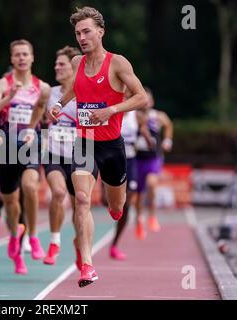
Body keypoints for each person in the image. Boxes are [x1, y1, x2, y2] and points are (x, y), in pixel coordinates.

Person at [49, 7, 148, 287]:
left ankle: (117, 207)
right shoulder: (78, 62)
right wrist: (60, 104)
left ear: (100, 32)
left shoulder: (118, 63)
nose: (82, 37)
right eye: (78, 33)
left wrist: (112, 110)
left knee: (116, 207)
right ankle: (88, 266)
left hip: (113, 147)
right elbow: (76, 89)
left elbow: (141, 98)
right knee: (81, 199)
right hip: (85, 142)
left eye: (87, 31)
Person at [0, 39, 50, 274]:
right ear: (12, 59)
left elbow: (45, 112)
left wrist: (36, 130)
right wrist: (7, 97)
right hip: (6, 146)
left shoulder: (41, 87)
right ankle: (15, 236)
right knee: (11, 201)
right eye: (17, 55)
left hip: (30, 144)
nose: (22, 58)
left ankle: (33, 237)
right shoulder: (3, 83)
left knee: (30, 187)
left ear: (32, 58)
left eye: (26, 54)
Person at [42, 46, 81, 265]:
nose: (56, 67)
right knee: (58, 192)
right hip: (53, 154)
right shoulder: (50, 93)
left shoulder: (84, 93)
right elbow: (38, 119)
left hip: (79, 156)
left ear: (74, 67)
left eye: (62, 64)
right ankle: (55, 242)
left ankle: (79, 244)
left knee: (79, 206)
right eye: (56, 64)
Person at [109, 89, 151, 259]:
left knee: (127, 203)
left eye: (127, 95)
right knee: (109, 202)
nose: (124, 97)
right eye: (122, 95)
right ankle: (113, 203)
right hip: (112, 160)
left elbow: (149, 140)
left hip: (131, 161)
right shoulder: (110, 112)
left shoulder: (137, 117)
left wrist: (148, 139)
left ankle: (114, 244)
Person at [134, 88, 173, 239]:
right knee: (137, 194)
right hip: (137, 158)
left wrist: (167, 140)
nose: (146, 102)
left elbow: (169, 125)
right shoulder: (133, 116)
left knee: (151, 184)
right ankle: (139, 219)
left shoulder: (159, 116)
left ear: (152, 101)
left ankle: (152, 215)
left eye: (148, 99)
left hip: (153, 158)